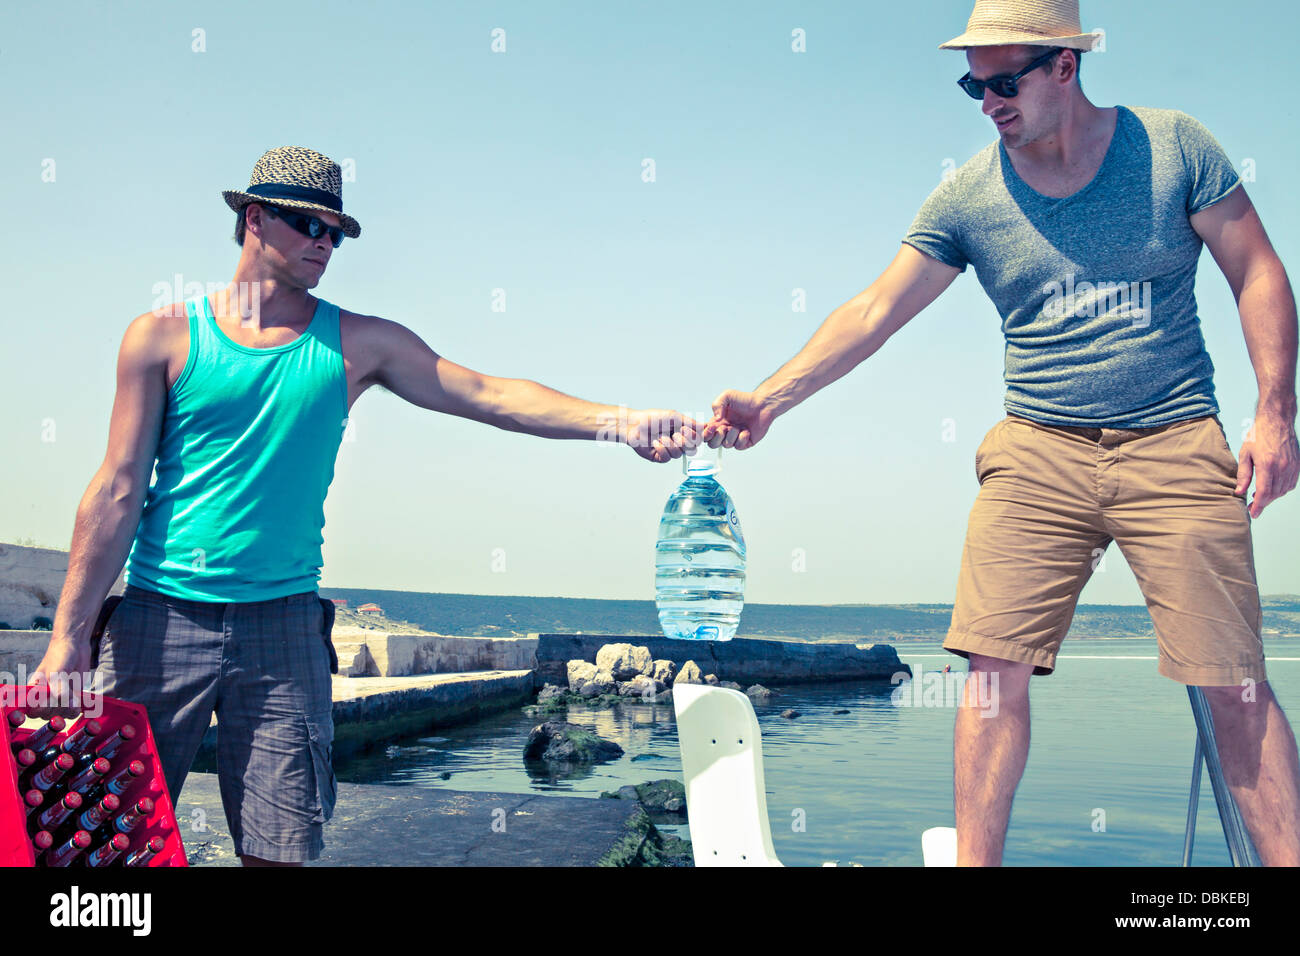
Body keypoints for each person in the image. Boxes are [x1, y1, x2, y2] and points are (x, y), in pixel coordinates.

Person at [700, 0, 1299, 865]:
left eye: (1003, 81)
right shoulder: (972, 194)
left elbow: (1258, 268)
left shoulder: (1174, 148)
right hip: (1037, 447)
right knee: (988, 673)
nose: (987, 102)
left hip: (1173, 437)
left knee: (1235, 684)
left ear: (1066, 65)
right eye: (972, 86)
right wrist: (770, 397)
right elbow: (876, 309)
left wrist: (1274, 414)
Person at [31, 145, 700, 866]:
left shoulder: (358, 343)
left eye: (335, 232)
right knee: (108, 846)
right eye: (305, 224)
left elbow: (491, 395)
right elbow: (116, 488)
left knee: (282, 850)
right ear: (252, 218)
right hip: (159, 622)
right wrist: (68, 638)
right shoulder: (161, 336)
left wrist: (624, 422)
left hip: (284, 631)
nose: (323, 243)